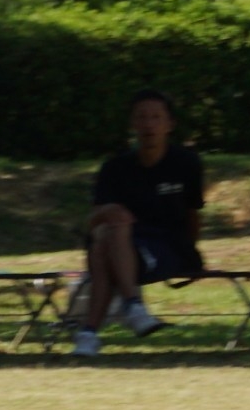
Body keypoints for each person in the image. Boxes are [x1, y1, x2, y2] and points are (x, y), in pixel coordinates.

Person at [71, 89, 204, 358]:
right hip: (122, 246)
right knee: (109, 230)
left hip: (165, 247)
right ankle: (130, 308)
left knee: (103, 247)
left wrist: (192, 254)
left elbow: (193, 213)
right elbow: (91, 222)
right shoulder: (114, 168)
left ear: (169, 125)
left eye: (156, 117)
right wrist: (108, 210)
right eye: (142, 117)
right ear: (132, 124)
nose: (149, 124)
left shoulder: (186, 163)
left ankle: (90, 332)